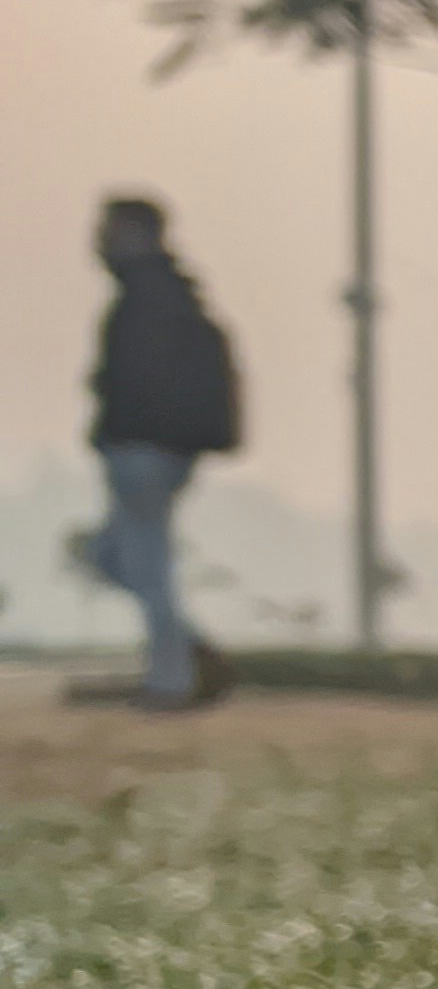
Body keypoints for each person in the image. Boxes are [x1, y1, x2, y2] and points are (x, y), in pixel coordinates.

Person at [86, 194, 243, 709]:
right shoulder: (164, 294)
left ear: (137, 232)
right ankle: (191, 651)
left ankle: (170, 683)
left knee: (145, 561)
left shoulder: (150, 299)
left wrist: (128, 433)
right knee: (114, 557)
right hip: (153, 450)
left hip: (145, 450)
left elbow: (141, 384)